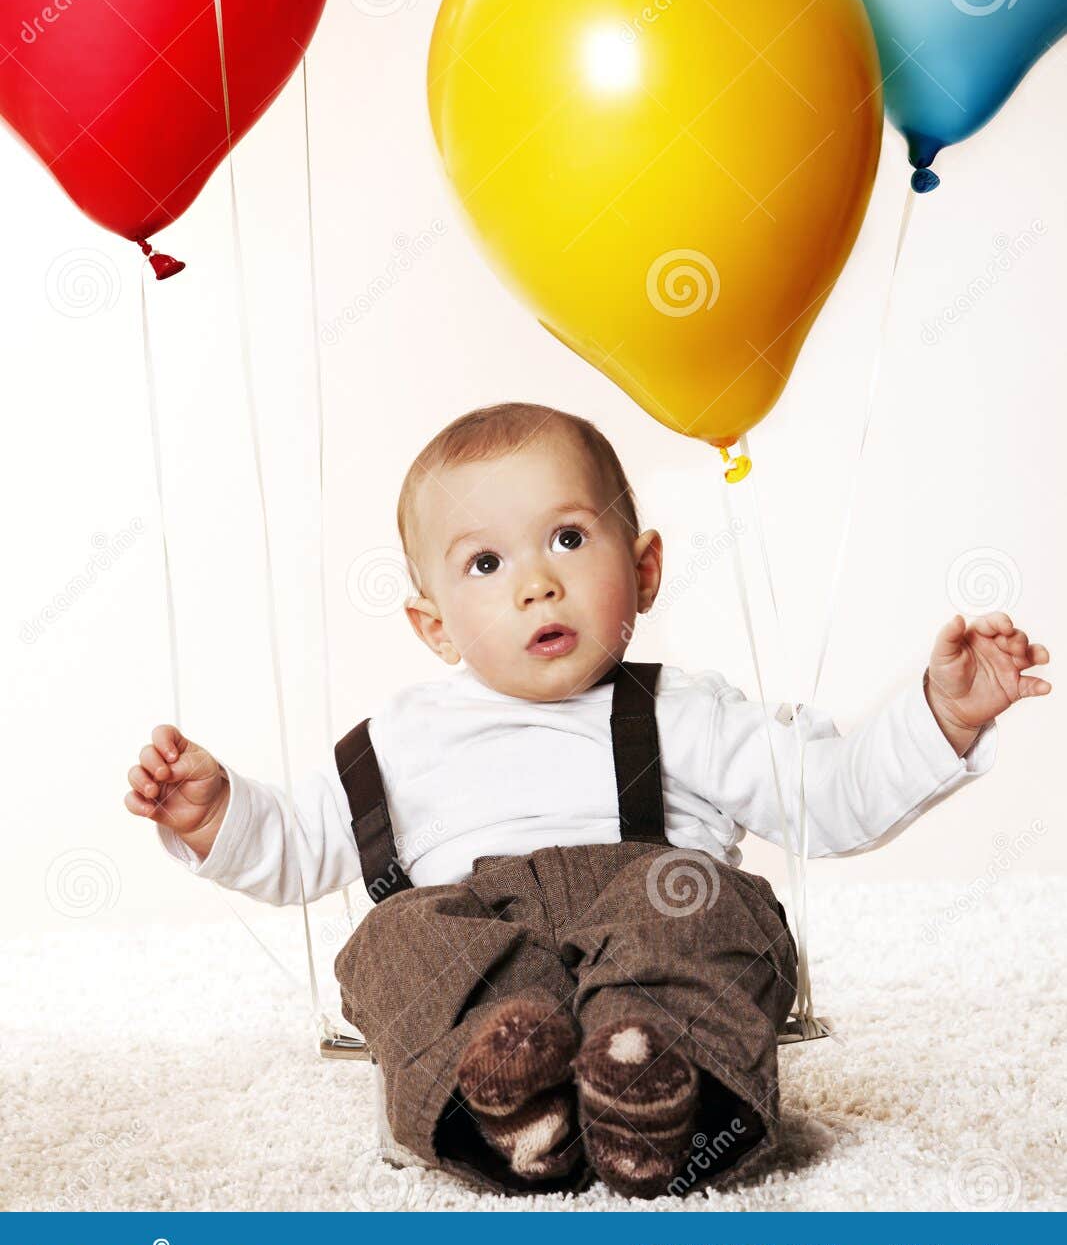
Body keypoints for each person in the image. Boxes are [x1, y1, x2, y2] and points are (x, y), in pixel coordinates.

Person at [124, 403, 1050, 1199]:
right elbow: (300, 845)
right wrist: (217, 816)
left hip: (651, 911)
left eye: (569, 538)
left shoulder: (687, 711)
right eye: (485, 563)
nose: (537, 582)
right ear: (434, 625)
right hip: (479, 941)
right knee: (394, 937)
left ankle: (649, 1071)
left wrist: (941, 716)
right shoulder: (399, 737)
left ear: (643, 569)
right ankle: (510, 1090)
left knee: (703, 902)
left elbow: (829, 799)